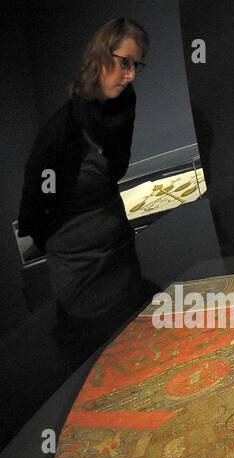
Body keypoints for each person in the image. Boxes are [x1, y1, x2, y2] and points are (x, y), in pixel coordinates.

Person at [18, 18, 153, 354]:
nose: (130, 75)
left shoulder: (123, 105)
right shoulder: (58, 135)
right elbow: (35, 215)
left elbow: (114, 169)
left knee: (142, 351)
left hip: (122, 259)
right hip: (81, 279)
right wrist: (72, 239)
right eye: (125, 63)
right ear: (100, 58)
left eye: (136, 65)